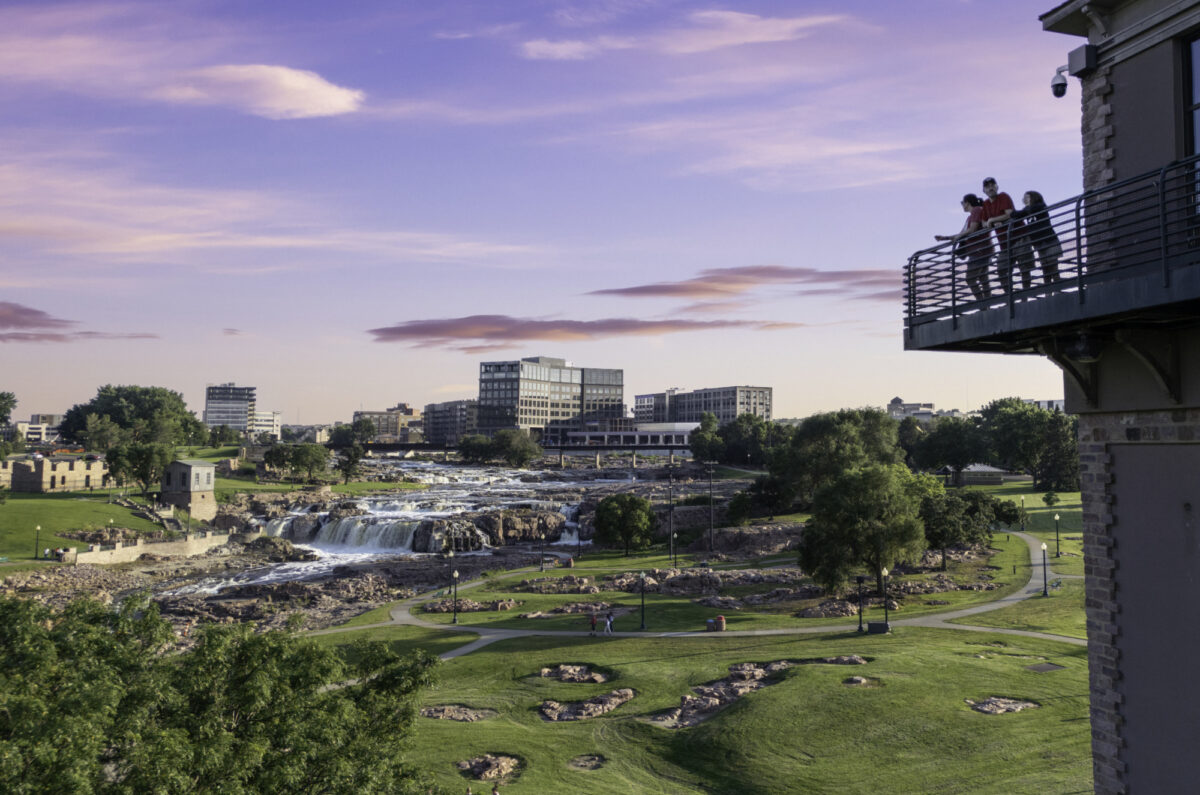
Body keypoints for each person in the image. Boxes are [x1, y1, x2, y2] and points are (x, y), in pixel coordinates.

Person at [935, 194, 992, 301]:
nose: (962, 205)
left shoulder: (976, 210)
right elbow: (962, 233)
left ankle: (983, 304)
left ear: (967, 203)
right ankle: (987, 304)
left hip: (979, 251)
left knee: (970, 279)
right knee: (983, 278)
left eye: (962, 203)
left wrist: (958, 237)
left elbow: (972, 229)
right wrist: (945, 238)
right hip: (980, 251)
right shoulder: (970, 216)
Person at [980, 177, 1025, 293]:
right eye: (987, 186)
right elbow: (984, 222)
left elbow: (1009, 214)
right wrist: (992, 222)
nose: (990, 188)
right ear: (983, 190)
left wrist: (992, 220)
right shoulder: (985, 204)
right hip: (1004, 244)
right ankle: (1010, 296)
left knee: (1024, 268)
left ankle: (1025, 296)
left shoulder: (1003, 196)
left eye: (992, 185)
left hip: (1020, 237)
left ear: (997, 187)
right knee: (1001, 270)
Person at [1009, 190, 1062, 284]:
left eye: (1027, 197)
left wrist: (1023, 211)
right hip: (1039, 244)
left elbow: (1029, 210)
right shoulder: (1027, 210)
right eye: (1023, 198)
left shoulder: (1040, 206)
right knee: (1045, 269)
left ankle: (1058, 289)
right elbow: (1015, 215)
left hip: (1049, 241)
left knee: (1053, 267)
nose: (1024, 200)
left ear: (1034, 197)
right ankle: (1048, 293)